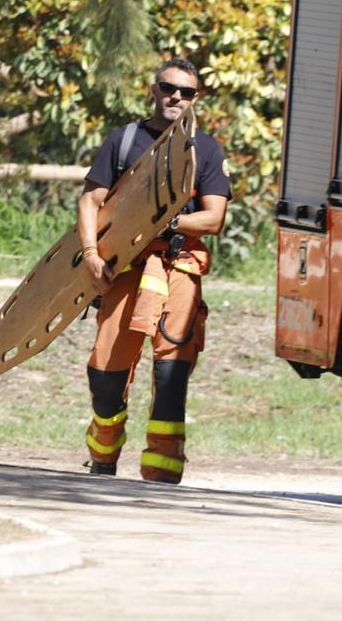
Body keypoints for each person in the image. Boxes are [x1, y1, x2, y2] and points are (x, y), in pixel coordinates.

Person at [76, 57, 231, 484]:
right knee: (105, 375)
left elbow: (213, 219)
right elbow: (90, 201)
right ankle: (103, 456)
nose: (176, 97)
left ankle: (161, 474)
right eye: (168, 88)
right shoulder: (123, 141)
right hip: (124, 268)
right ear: (154, 90)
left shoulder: (207, 150)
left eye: (186, 92)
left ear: (195, 98)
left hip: (178, 265)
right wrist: (90, 254)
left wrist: (166, 222)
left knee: (171, 372)